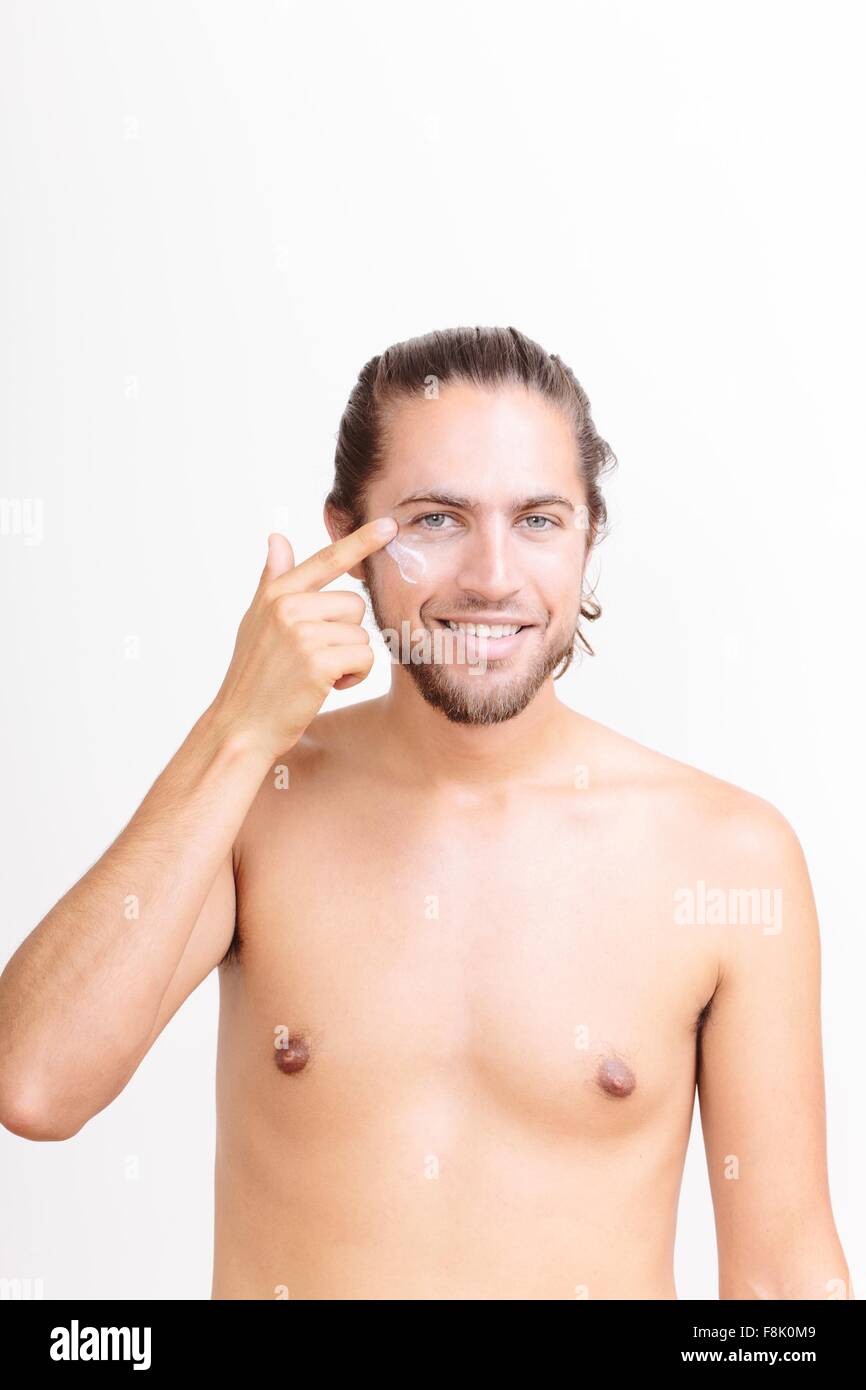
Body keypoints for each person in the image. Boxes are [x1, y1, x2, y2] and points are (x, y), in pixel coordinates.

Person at [0, 327, 851, 1300]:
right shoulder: (254, 807)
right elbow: (33, 1084)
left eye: (537, 519)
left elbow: (783, 1281)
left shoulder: (726, 859)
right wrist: (237, 726)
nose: (491, 576)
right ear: (343, 539)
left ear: (586, 538)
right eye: (436, 518)